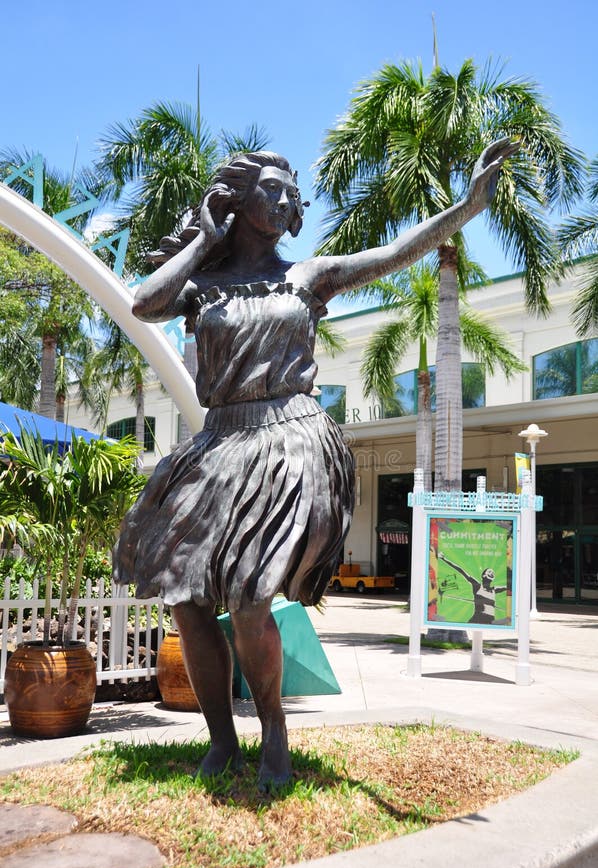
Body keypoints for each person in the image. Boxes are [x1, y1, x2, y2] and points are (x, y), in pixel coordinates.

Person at [113, 140, 517, 788]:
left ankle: (273, 727)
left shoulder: (308, 275)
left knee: (250, 598)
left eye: (289, 194)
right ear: (236, 201)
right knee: (186, 599)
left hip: (289, 441)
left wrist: (466, 208)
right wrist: (204, 239)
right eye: (269, 190)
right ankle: (222, 740)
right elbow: (143, 303)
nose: (283, 201)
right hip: (219, 444)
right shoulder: (202, 285)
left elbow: (393, 253)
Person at [437, 551, 508, 624]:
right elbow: (461, 571)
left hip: (490, 620)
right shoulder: (477, 586)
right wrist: (444, 559)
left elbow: (508, 586)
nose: (491, 572)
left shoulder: (494, 589)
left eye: (492, 573)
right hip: (478, 618)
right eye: (489, 572)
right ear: (483, 576)